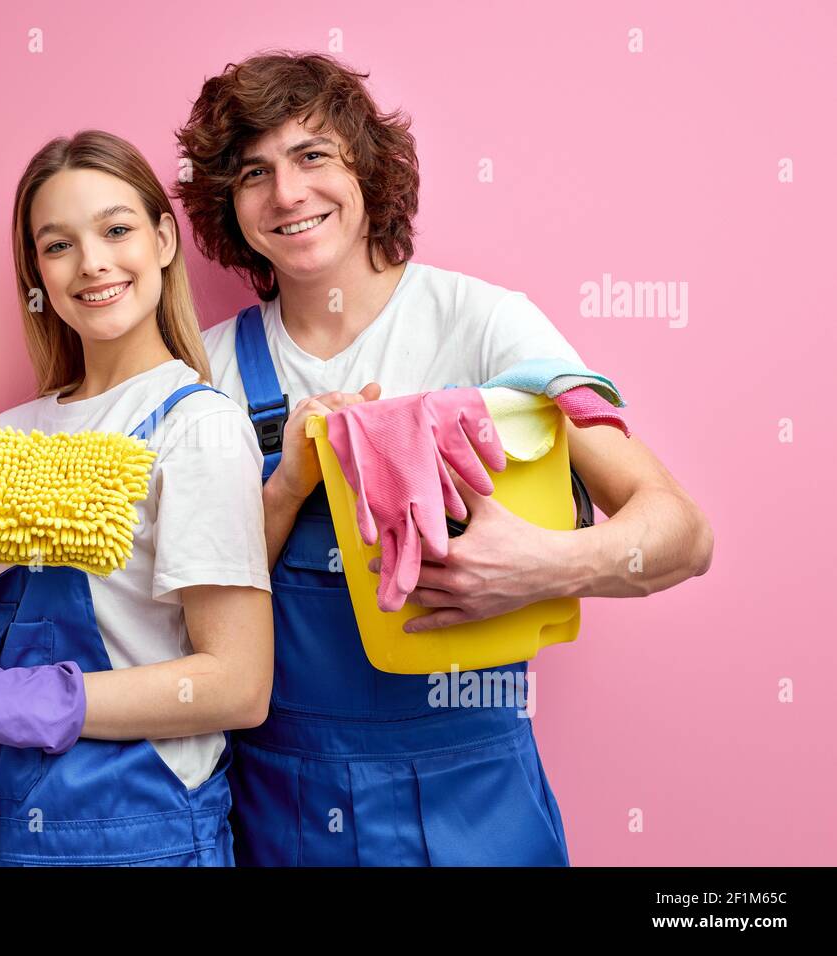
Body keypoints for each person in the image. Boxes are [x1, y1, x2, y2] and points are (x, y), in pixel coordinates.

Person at [173, 51, 714, 866]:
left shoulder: (488, 326)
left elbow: (682, 534)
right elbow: (179, 619)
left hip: (479, 798)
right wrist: (286, 487)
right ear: (229, 204)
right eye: (254, 172)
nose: (287, 194)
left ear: (367, 165)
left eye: (313, 155)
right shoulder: (205, 373)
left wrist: (546, 564)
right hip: (279, 805)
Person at [0, 130, 274, 866]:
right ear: (36, 269)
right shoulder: (7, 437)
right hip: (0, 834)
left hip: (144, 832)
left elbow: (238, 684)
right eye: (59, 244)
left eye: (117, 229)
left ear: (164, 239)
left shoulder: (200, 427)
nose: (93, 263)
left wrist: (40, 703)